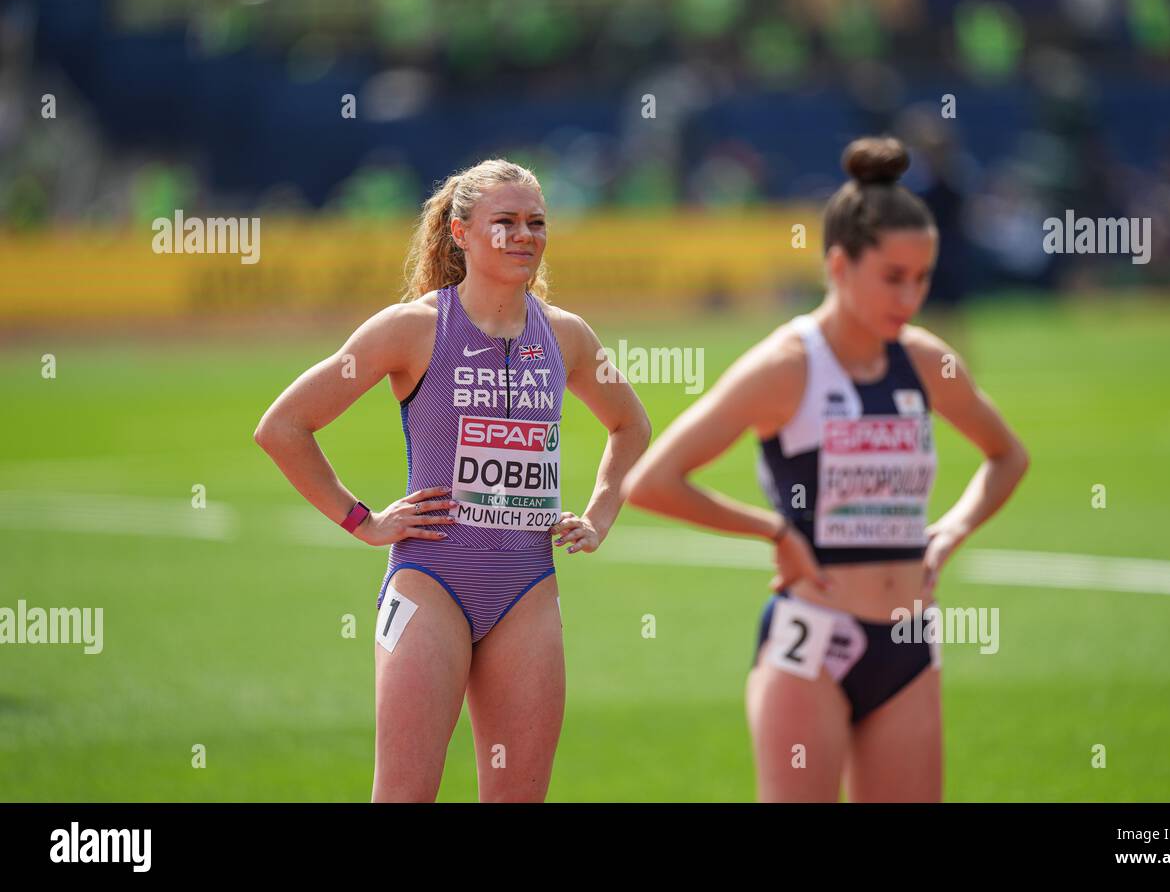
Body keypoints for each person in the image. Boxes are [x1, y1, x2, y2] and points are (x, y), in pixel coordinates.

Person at [623, 136, 1029, 802]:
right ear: (839, 265)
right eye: (892, 277)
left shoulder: (924, 360)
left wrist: (952, 531)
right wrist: (774, 533)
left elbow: (1008, 455)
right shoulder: (787, 365)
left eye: (922, 277)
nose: (911, 296)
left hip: (908, 641)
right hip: (813, 643)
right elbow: (653, 482)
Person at [255, 159, 650, 802]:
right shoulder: (412, 328)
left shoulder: (567, 337)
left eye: (536, 223)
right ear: (460, 232)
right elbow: (284, 426)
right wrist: (364, 522)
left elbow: (631, 427)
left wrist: (600, 514)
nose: (525, 235)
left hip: (527, 588)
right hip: (432, 583)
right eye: (506, 222)